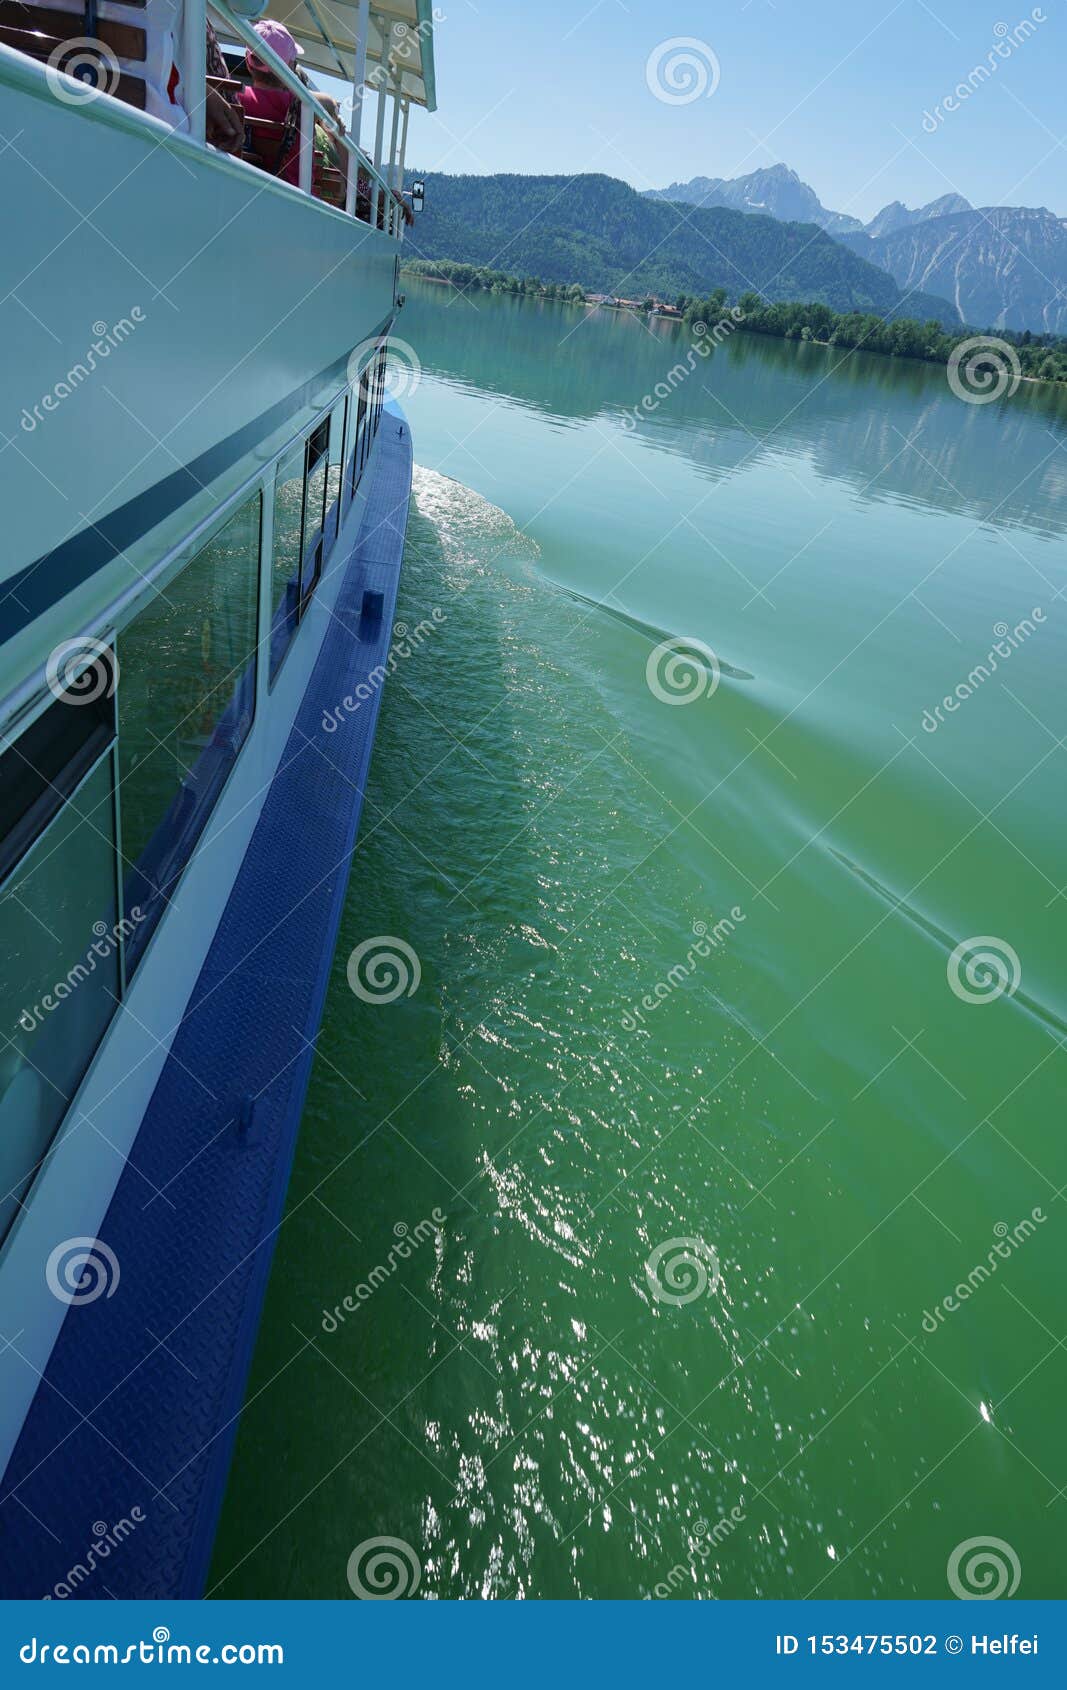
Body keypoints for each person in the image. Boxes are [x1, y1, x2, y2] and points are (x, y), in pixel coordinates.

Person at [237, 19, 304, 186]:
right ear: (288, 68)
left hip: (237, 183)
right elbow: (328, 104)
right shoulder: (300, 105)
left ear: (248, 61)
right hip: (292, 196)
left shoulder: (234, 97)